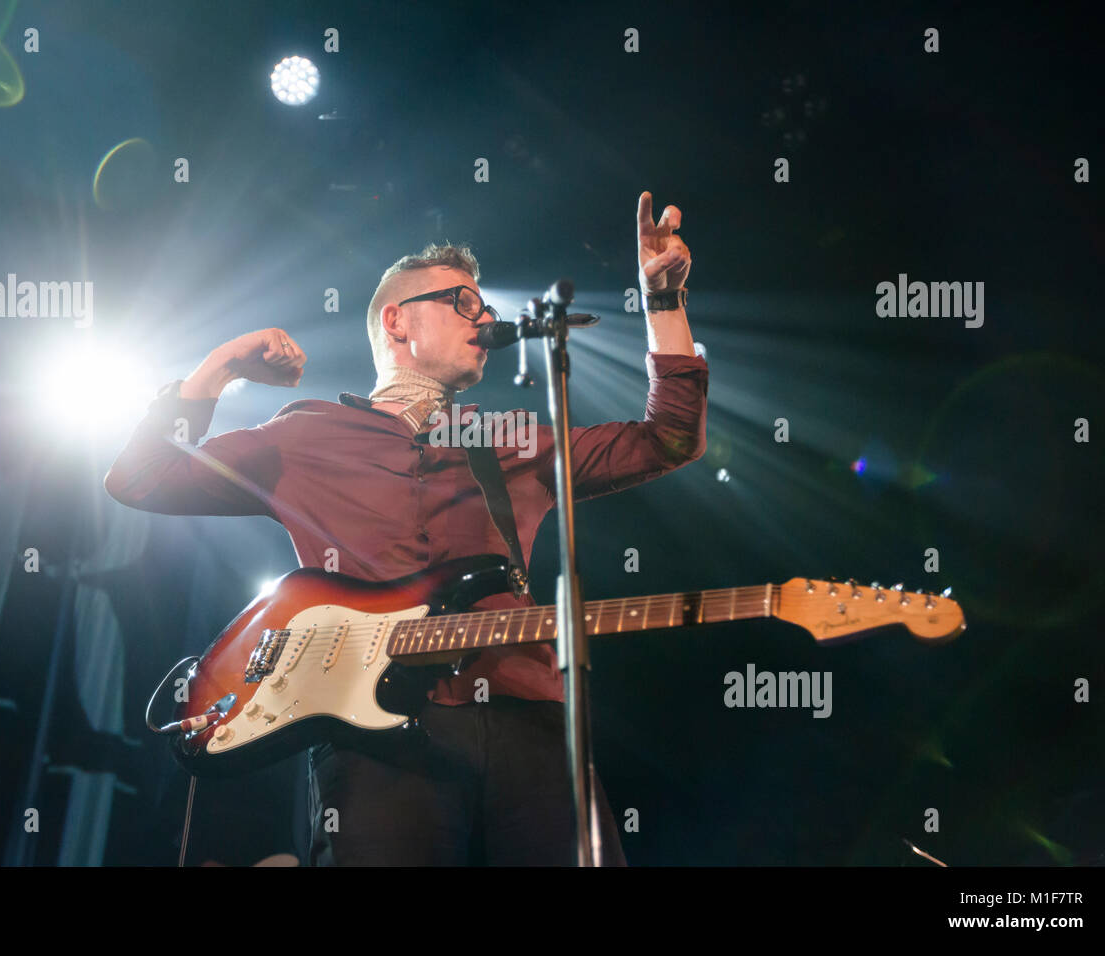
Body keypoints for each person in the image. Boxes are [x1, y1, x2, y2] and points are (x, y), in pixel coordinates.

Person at [104, 191, 708, 865]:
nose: (484, 318)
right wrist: (219, 367)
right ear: (397, 321)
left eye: (485, 306)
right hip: (377, 739)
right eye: (463, 303)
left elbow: (669, 440)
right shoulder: (303, 435)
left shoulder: (505, 440)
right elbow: (141, 479)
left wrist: (664, 304)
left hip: (529, 719)